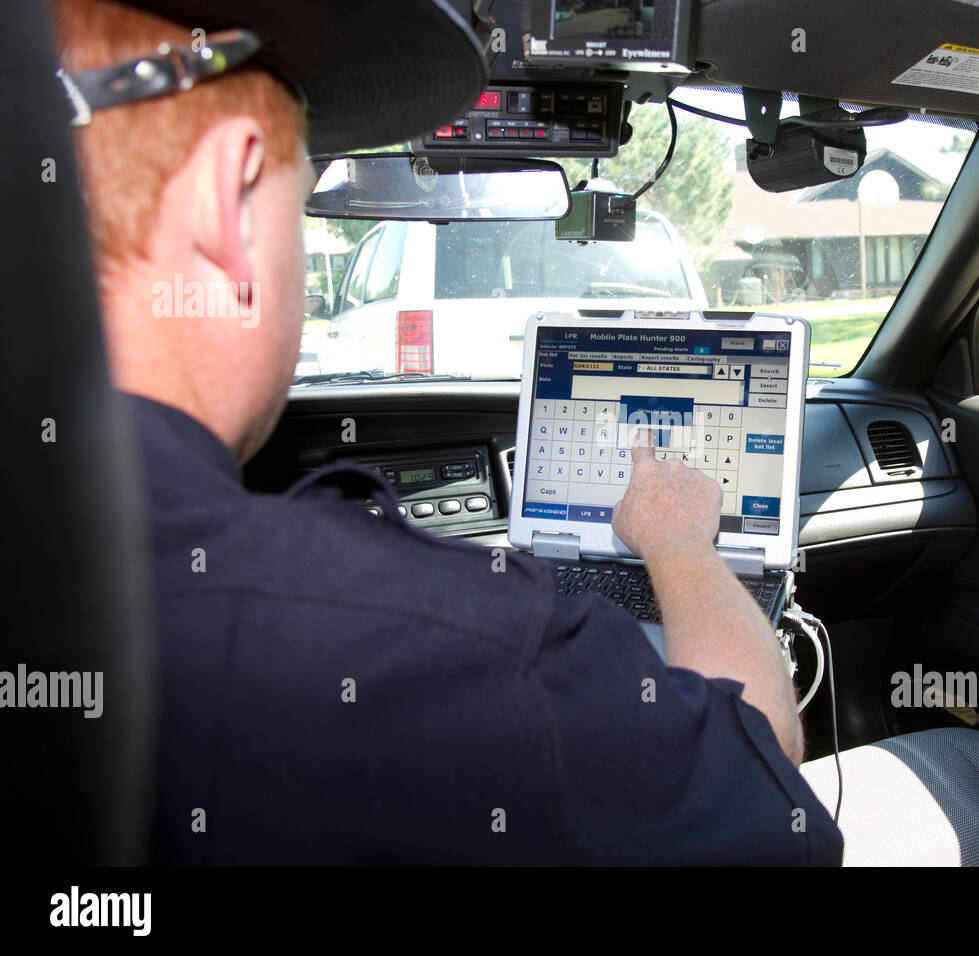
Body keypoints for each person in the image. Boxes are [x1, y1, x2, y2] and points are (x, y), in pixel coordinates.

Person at [51, 0, 842, 865]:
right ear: (223, 199)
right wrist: (679, 543)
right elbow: (765, 778)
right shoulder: (437, 642)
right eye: (300, 194)